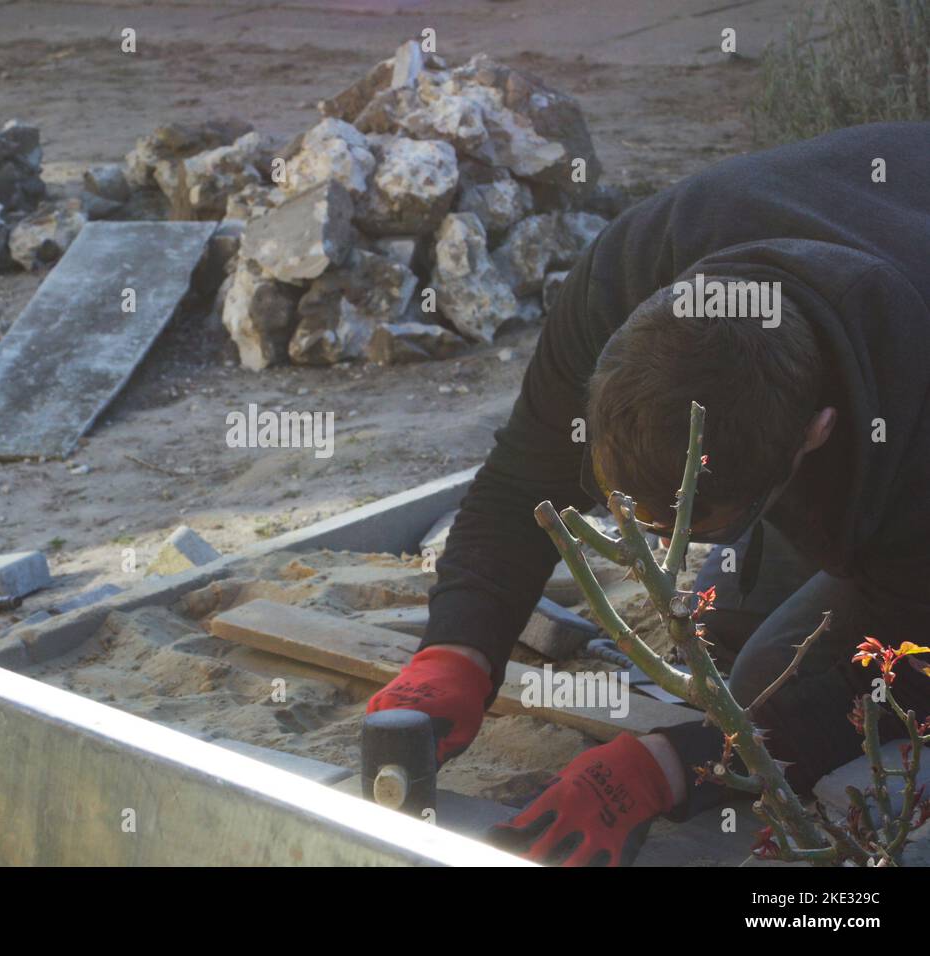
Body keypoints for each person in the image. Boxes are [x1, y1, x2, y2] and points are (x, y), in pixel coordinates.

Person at [368, 122, 930, 866]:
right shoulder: (631, 271)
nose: (662, 543)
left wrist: (670, 766)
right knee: (724, 625)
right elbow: (520, 483)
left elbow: (907, 660)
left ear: (813, 436)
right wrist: (457, 647)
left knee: (776, 681)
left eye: (695, 521)